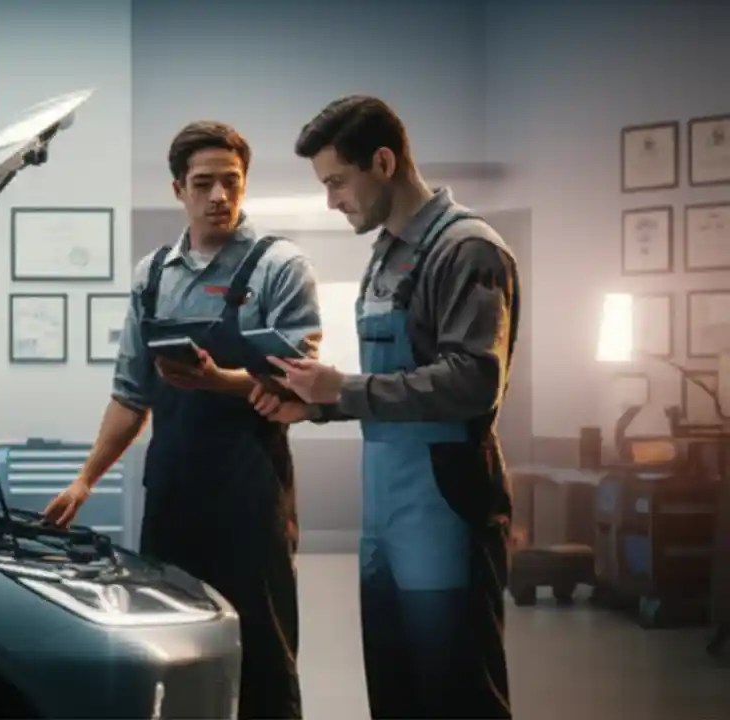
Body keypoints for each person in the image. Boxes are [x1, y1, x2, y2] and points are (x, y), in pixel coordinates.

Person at [42, 121, 322, 720]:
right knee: (170, 642)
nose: (219, 196)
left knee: (262, 648)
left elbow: (302, 380)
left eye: (231, 181)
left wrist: (220, 381)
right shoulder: (153, 277)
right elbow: (129, 396)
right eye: (203, 183)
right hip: (172, 490)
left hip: (251, 488)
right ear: (178, 189)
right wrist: (86, 478)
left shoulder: (279, 266)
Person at [252, 95, 520, 719]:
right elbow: (393, 378)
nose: (331, 200)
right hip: (384, 511)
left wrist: (340, 391)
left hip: (445, 504)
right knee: (395, 691)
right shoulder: (388, 254)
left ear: (382, 161)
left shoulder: (469, 250)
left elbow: (473, 380)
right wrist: (314, 407)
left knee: (457, 693)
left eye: (337, 182)